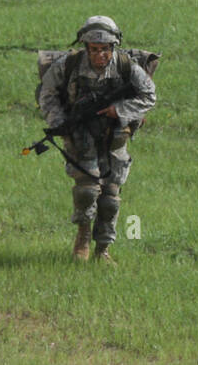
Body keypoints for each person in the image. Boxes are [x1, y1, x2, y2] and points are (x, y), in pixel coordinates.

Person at [38, 16, 157, 262]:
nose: (100, 55)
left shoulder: (125, 66)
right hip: (81, 136)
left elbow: (149, 95)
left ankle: (103, 249)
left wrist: (120, 110)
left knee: (111, 196)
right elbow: (47, 94)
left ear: (113, 47)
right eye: (94, 49)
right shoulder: (68, 66)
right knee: (87, 190)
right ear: (86, 48)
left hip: (115, 136)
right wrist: (59, 123)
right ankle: (82, 236)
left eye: (105, 49)